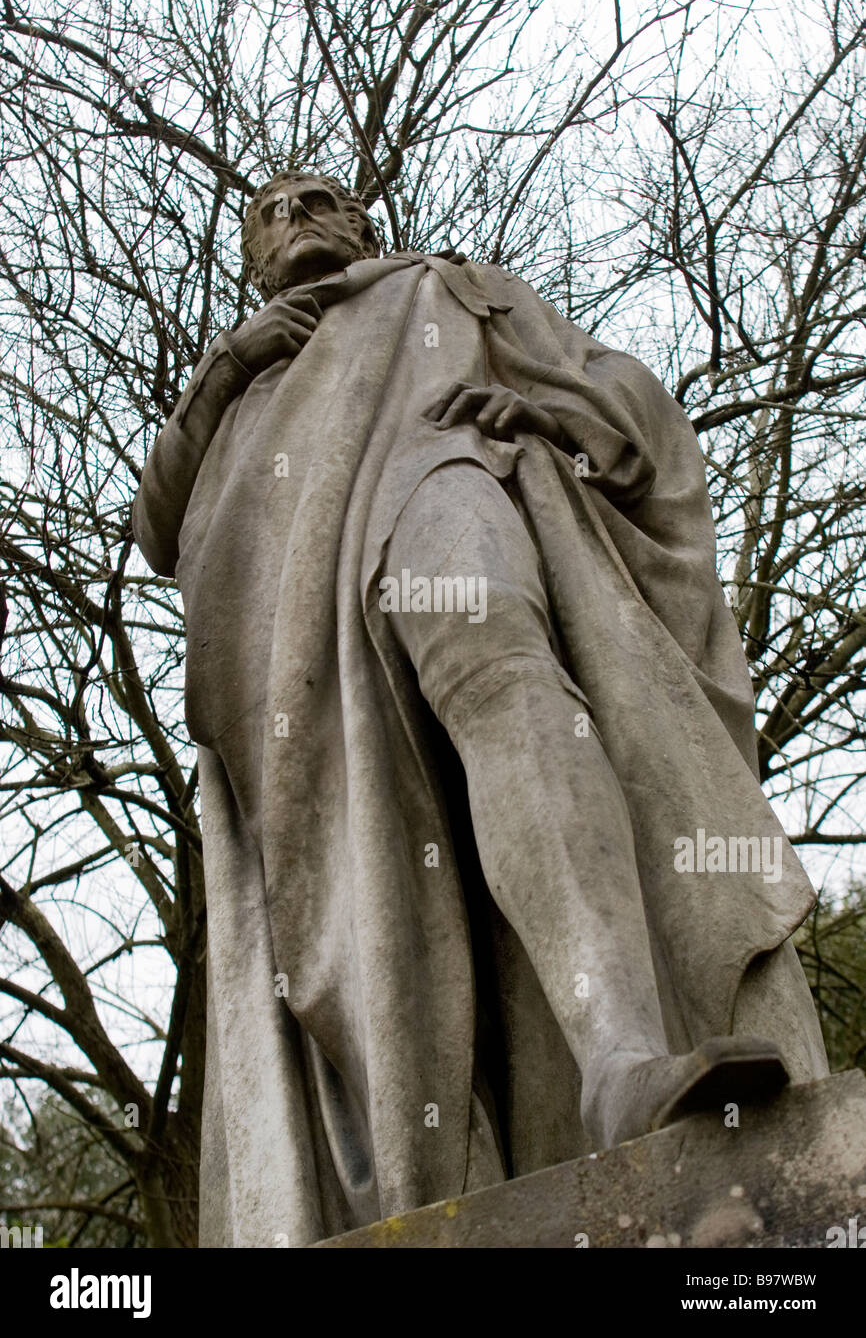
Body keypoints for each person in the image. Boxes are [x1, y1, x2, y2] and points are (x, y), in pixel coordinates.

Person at [133, 170, 828, 1246]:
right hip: (289, 639)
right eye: (269, 214)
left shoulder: (446, 289)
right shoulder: (246, 380)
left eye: (318, 200)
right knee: (385, 914)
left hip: (440, 468)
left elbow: (622, 396)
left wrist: (551, 411)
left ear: (363, 220)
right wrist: (230, 366)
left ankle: (617, 1056)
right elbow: (161, 525)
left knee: (494, 653)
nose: (297, 219)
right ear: (249, 259)